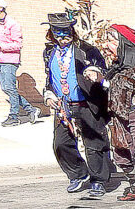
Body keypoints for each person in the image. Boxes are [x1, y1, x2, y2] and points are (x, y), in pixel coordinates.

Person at [91, 23, 135, 206]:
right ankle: (134, 188)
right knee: (121, 151)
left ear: (123, 43)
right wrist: (103, 79)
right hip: (118, 114)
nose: (107, 45)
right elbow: (115, 86)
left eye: (111, 41)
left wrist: (108, 82)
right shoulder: (118, 65)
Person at [41, 12, 110, 197]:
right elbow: (49, 78)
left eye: (65, 32)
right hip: (63, 105)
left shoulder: (87, 50)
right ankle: (78, 174)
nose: (62, 37)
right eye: (58, 32)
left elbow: (102, 68)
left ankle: (99, 180)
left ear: (71, 31)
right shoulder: (49, 52)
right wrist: (48, 95)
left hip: (87, 103)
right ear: (51, 33)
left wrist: (95, 73)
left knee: (94, 143)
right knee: (60, 144)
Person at [0, 0, 37, 125]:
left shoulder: (13, 24)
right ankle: (31, 110)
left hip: (9, 60)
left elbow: (18, 44)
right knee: (6, 88)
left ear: (0, 8)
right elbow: (1, 40)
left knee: (10, 88)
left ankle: (14, 117)